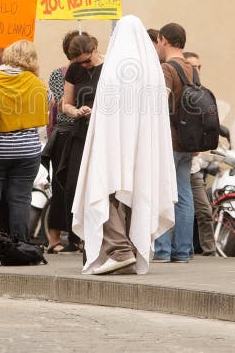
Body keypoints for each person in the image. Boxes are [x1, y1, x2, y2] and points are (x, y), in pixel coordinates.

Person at [72, 15, 177, 275]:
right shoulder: (152, 73)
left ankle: (118, 249)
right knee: (137, 190)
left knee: (105, 188)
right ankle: (129, 247)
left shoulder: (114, 69)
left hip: (113, 145)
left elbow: (104, 114)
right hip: (143, 148)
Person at [0, 40, 50, 247]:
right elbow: (48, 103)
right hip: (27, 151)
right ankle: (20, 244)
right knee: (21, 198)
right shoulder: (37, 84)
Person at [53, 34, 104, 253]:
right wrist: (76, 111)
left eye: (86, 60)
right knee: (73, 184)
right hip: (81, 131)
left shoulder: (110, 66)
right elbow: (66, 104)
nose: (84, 65)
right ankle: (79, 237)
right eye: (79, 62)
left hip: (103, 134)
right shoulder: (74, 70)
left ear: (94, 49)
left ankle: (102, 235)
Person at [153, 22, 197, 264]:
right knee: (184, 193)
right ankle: (182, 251)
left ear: (164, 40)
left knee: (163, 193)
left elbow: (161, 103)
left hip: (169, 139)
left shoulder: (167, 69)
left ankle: (162, 250)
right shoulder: (192, 68)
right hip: (188, 140)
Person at [43, 30, 81, 253]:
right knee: (60, 186)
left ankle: (77, 238)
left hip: (77, 133)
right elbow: (61, 106)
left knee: (78, 187)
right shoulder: (60, 74)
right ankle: (54, 238)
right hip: (66, 133)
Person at [184, 51, 215, 257]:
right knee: (180, 211)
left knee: (204, 210)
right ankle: (183, 249)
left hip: (193, 165)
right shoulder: (181, 92)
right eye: (193, 66)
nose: (197, 71)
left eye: (199, 67)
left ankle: (210, 249)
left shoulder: (204, 93)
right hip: (178, 161)